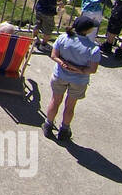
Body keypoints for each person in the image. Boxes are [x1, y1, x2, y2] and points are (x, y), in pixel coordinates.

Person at [42, 15, 103, 143]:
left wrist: (63, 64)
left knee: (55, 100)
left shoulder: (63, 38)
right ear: (87, 30)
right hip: (79, 81)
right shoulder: (93, 48)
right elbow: (92, 69)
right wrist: (79, 70)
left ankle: (48, 125)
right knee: (70, 106)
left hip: (60, 76)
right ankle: (64, 130)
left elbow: (54, 55)